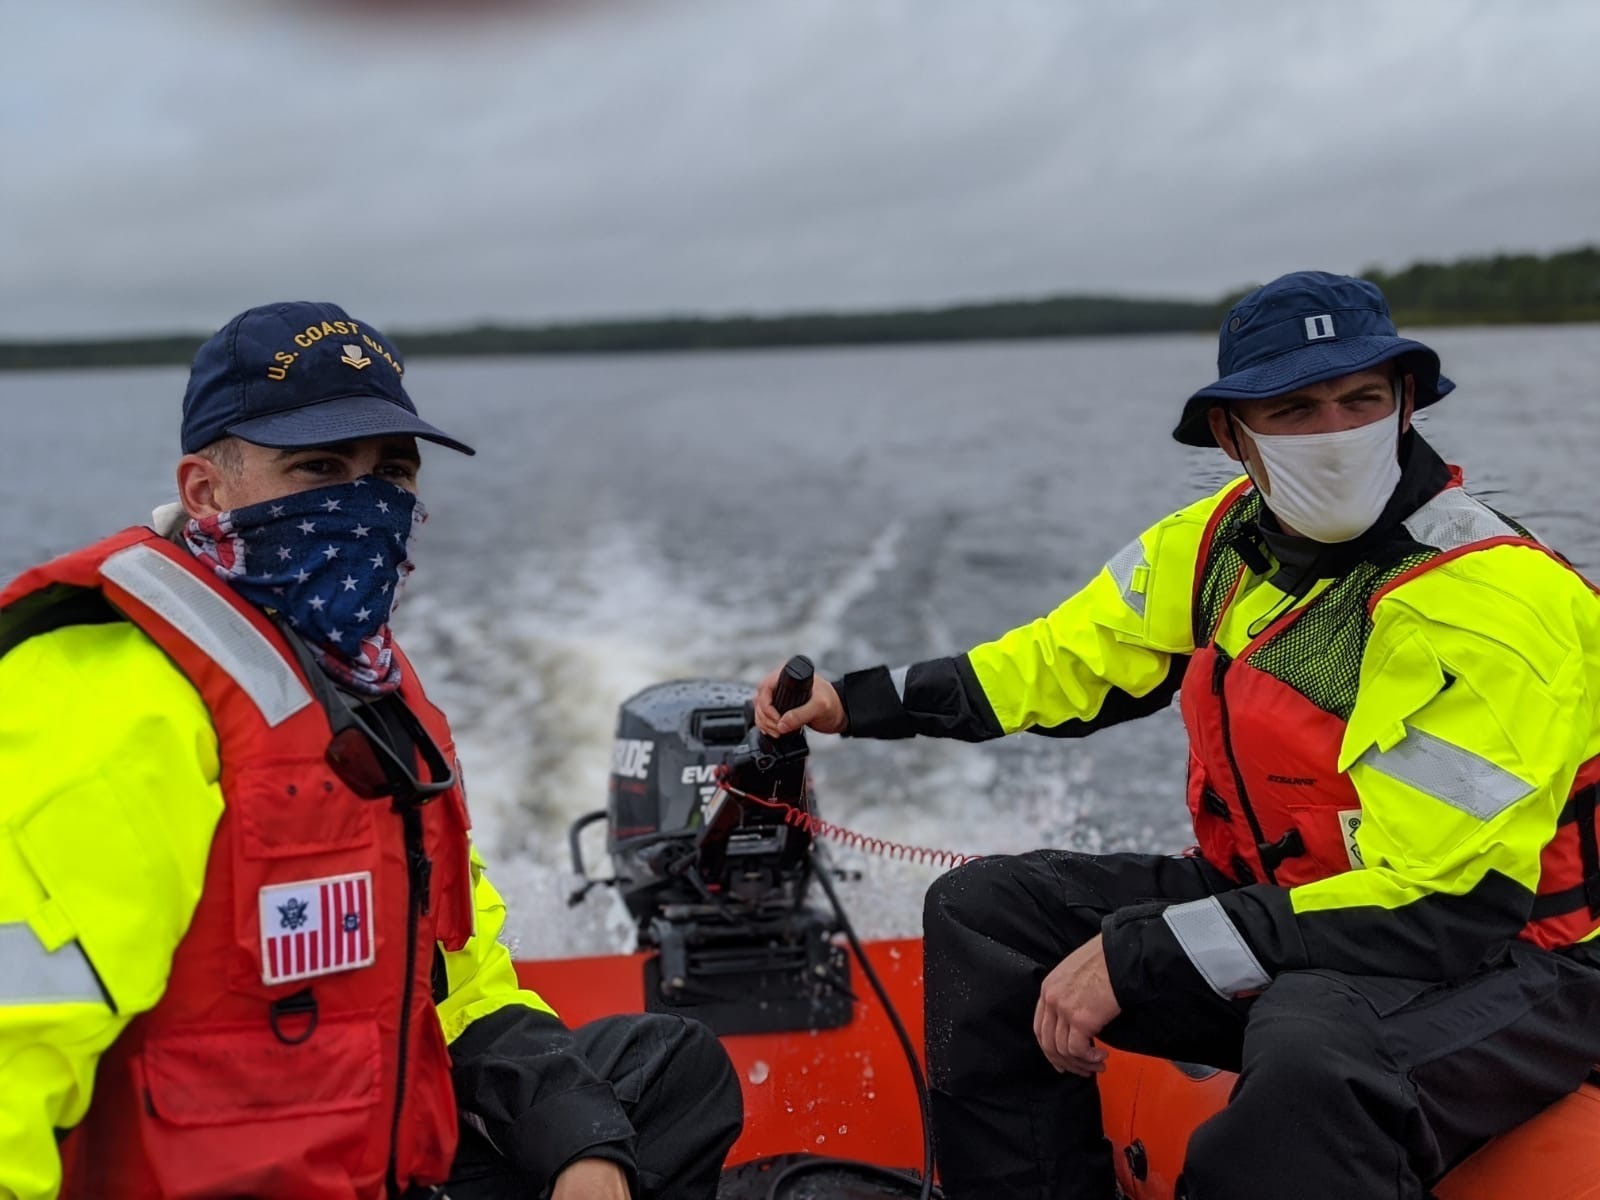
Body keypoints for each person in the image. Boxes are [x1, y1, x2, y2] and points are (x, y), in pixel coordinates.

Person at [753, 271, 1600, 1199]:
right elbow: (1061, 662)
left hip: (1525, 962)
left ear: (1406, 409)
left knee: (1317, 1045)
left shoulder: (1489, 602)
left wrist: (1143, 953)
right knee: (987, 913)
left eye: (1362, 400)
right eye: (1295, 408)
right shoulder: (1218, 546)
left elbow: (1448, 909)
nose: (1335, 432)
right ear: (1234, 437)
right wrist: (854, 702)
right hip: (1303, 903)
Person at [0, 302, 742, 1200]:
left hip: (374, 1153)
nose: (364, 501)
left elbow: (455, 980)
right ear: (205, 490)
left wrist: (582, 1148)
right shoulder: (116, 698)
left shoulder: (363, 687)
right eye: (318, 466)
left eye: (390, 472)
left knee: (668, 1069)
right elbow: (17, 1054)